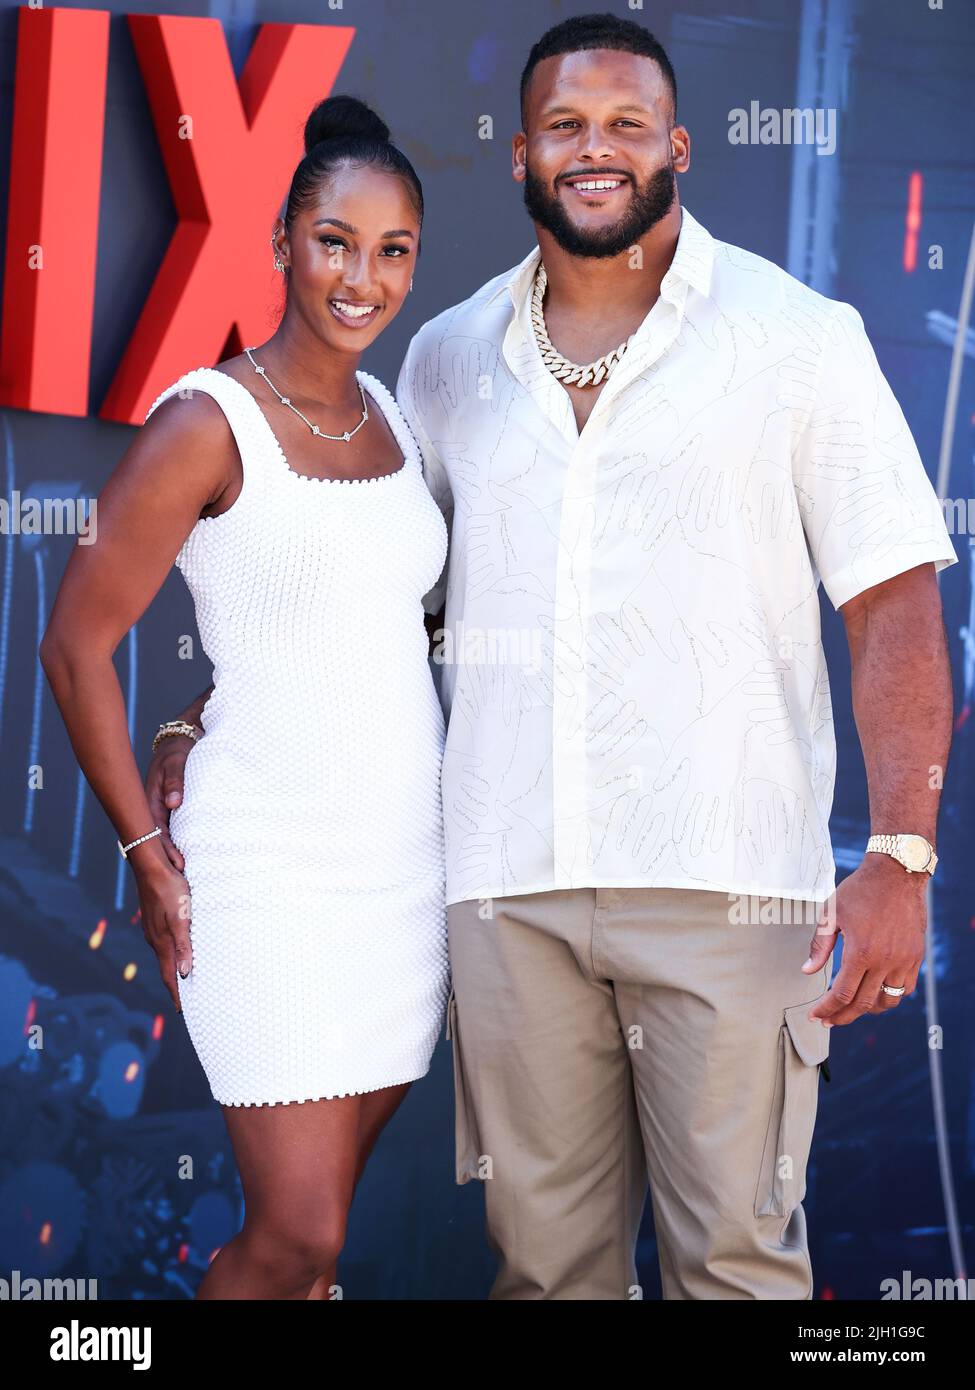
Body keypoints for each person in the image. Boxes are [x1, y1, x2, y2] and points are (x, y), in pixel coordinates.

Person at [153, 15, 959, 1300]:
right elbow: (379, 592)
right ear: (521, 152)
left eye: (627, 123)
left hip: (729, 889)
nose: (596, 150)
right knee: (544, 1277)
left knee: (738, 1273)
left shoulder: (802, 339)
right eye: (566, 126)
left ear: (679, 145)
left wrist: (903, 859)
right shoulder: (446, 359)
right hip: (506, 892)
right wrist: (206, 719)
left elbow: (896, 606)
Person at [39, 95, 450, 1300]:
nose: (361, 278)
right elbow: (75, 644)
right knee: (297, 1237)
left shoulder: (396, 418)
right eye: (334, 240)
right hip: (268, 874)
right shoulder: (204, 423)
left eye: (392, 251)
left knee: (312, 1258)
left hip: (404, 875)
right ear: (281, 241)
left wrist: (189, 714)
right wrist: (148, 855)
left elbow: (346, 632)